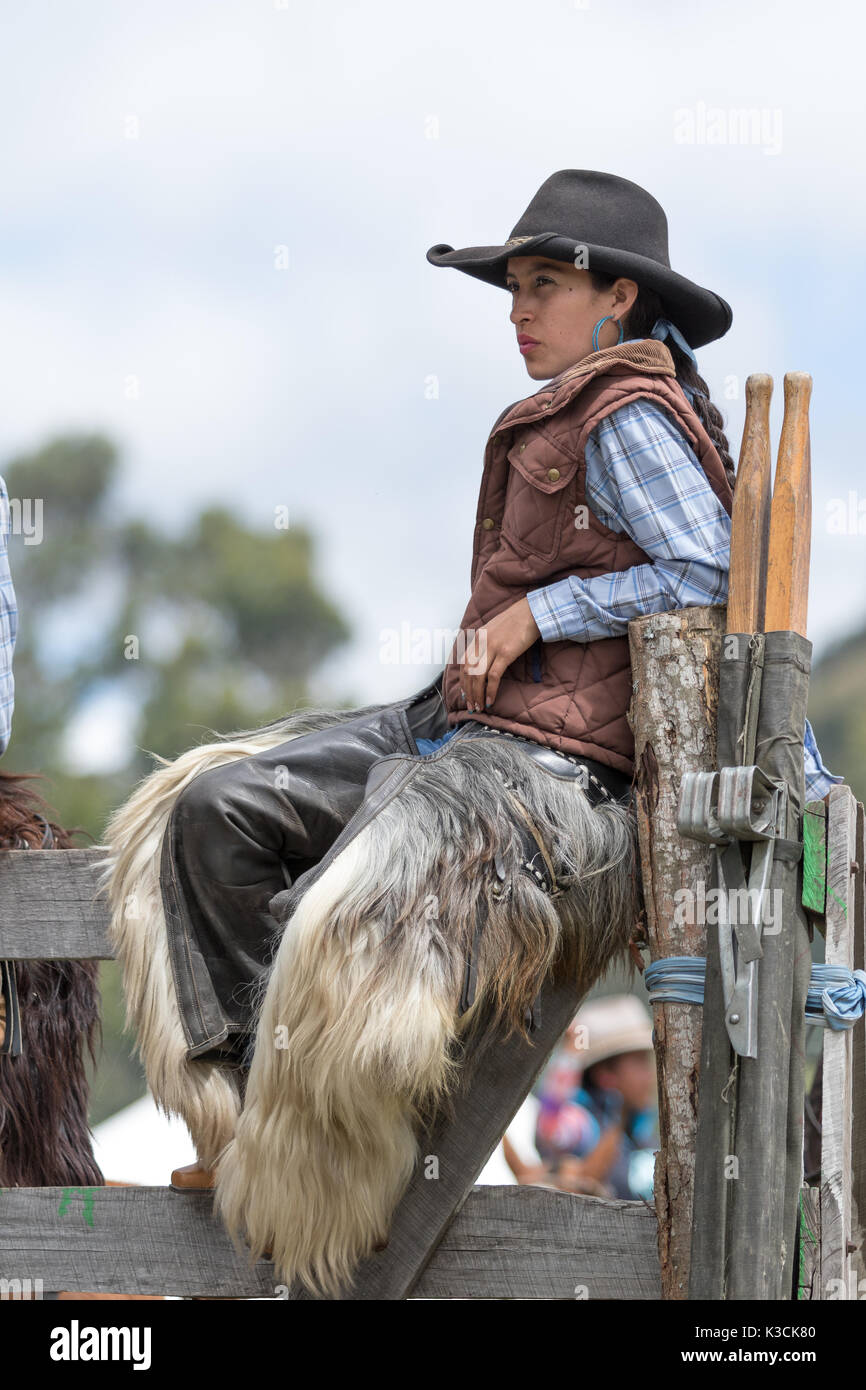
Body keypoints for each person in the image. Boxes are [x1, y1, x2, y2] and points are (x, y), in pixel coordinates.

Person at [103, 169, 841, 1294]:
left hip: (563, 772)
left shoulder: (628, 414)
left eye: (544, 285)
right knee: (213, 809)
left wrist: (540, 613)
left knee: (343, 899)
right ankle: (260, 1137)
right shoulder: (575, 404)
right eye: (514, 288)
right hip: (466, 726)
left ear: (619, 300)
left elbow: (710, 573)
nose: (517, 311)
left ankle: (328, 1161)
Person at [532, 994, 658, 1202]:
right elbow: (549, 1128)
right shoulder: (585, 1125)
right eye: (639, 1063)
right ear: (605, 1074)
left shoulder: (638, 1132)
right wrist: (568, 1058)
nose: (650, 1076)